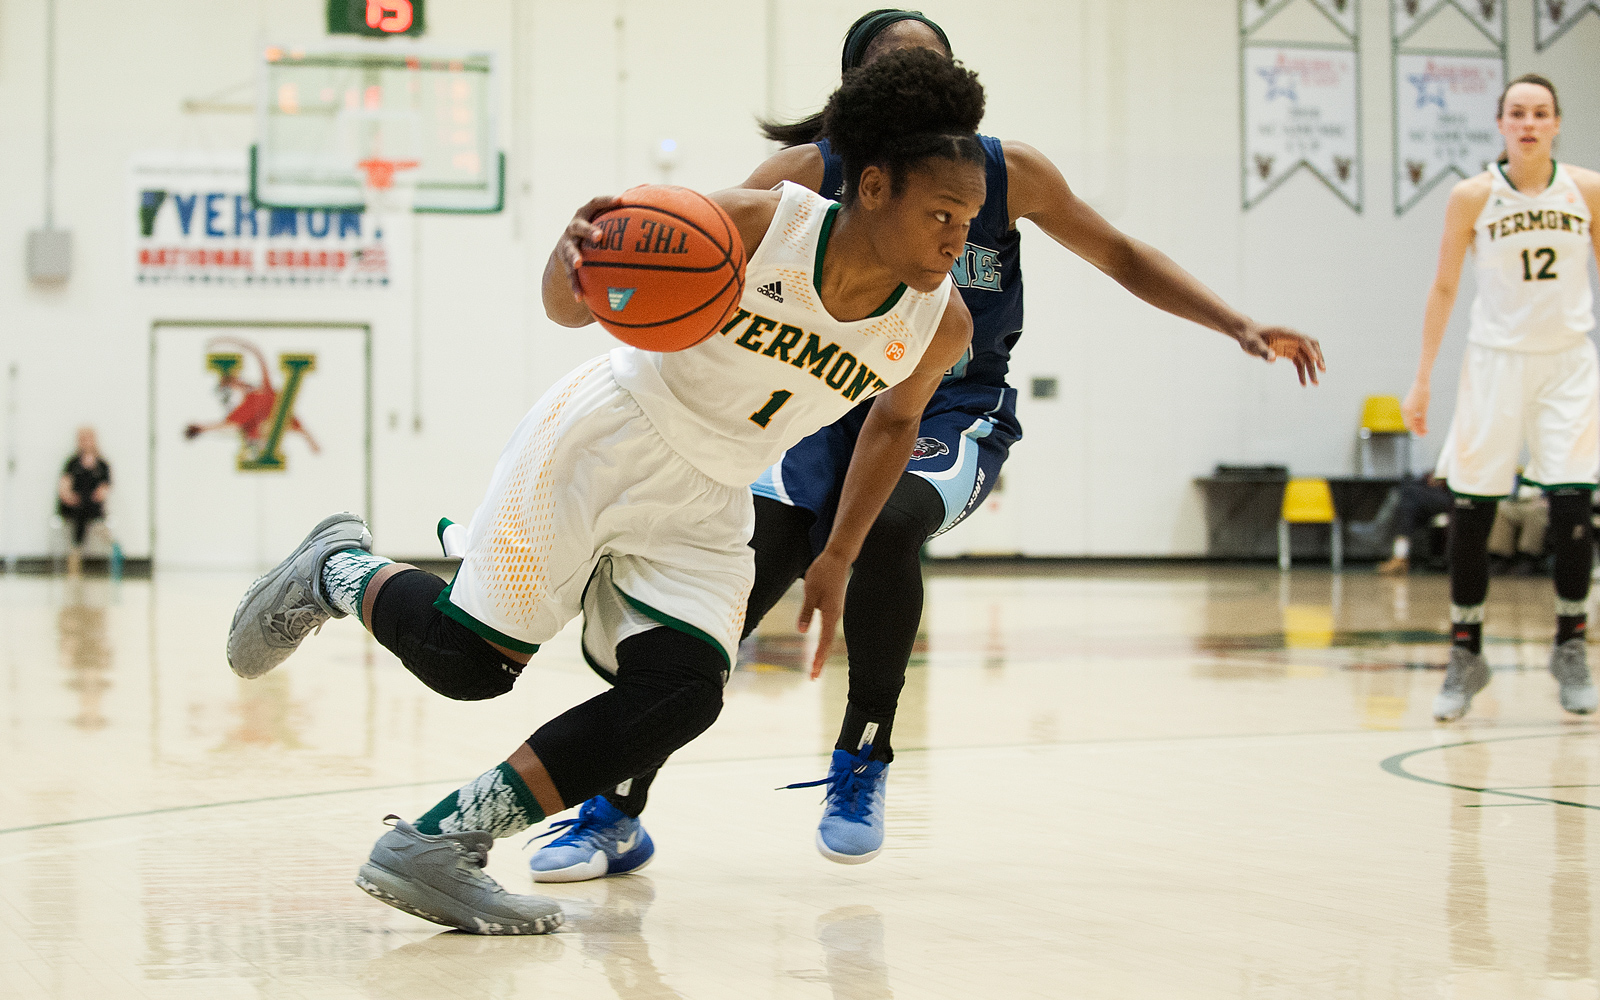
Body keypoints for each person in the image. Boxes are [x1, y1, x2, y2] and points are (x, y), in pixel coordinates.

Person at [528, 8, 1325, 881]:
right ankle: (616, 806)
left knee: (887, 524)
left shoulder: (1006, 175)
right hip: (818, 406)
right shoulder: (805, 175)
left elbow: (1122, 254)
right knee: (726, 606)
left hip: (951, 409)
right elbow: (713, 281)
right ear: (860, 96)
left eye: (939, 71)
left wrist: (1237, 323)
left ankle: (862, 756)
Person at [225, 48, 985, 934]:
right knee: (471, 666)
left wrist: (840, 554)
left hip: (713, 493)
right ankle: (336, 569)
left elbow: (895, 424)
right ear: (875, 188)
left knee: (686, 691)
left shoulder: (939, 322)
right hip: (607, 436)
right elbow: (571, 307)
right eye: (942, 213)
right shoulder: (755, 226)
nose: (957, 240)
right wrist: (568, 258)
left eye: (969, 220)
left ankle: (438, 844)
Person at [1401, 73, 1600, 721]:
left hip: (1568, 362)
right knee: (1473, 507)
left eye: (1540, 113)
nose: (1529, 123)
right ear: (1500, 123)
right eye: (1517, 113)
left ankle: (1570, 645)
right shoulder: (1473, 196)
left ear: (1557, 122)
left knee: (1572, 502)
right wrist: (1423, 377)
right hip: (1494, 361)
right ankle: (1466, 653)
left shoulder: (1587, 189)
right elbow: (1443, 288)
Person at [57, 427, 111, 576]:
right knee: (81, 508)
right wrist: (70, 497)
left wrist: (93, 496)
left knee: (86, 506)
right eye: (83, 439)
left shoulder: (102, 465)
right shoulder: (72, 463)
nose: (86, 442)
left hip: (91, 505)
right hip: (74, 505)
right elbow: (64, 488)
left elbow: (104, 489)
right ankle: (76, 556)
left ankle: (77, 550)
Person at [1376, 474, 1454, 575]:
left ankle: (1400, 557)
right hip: (1442, 492)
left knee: (1408, 495)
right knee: (1407, 493)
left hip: (1454, 496)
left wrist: (1440, 478)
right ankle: (1400, 557)